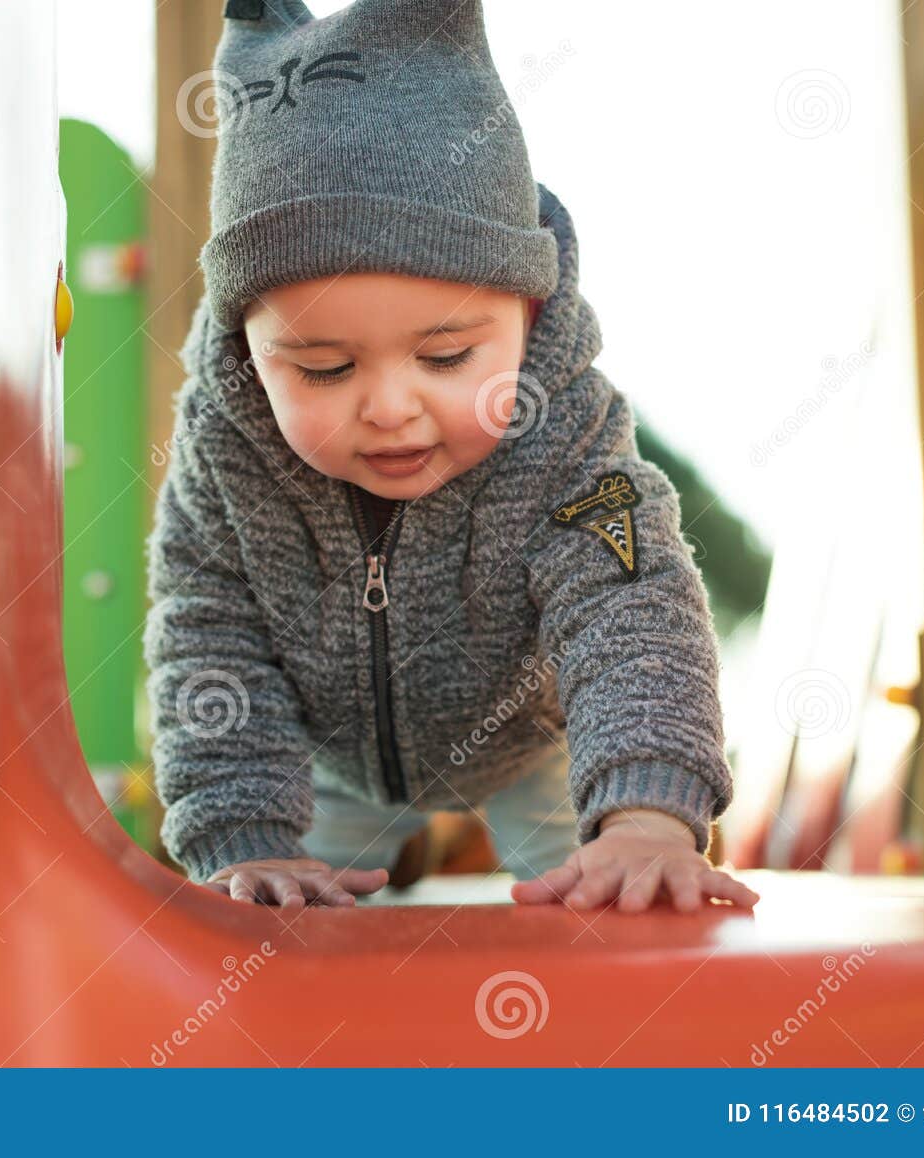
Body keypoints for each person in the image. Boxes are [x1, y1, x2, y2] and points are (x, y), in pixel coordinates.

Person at [142, 0, 758, 914]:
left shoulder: (567, 436)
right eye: (323, 367)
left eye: (445, 358)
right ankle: (382, 860)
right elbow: (207, 628)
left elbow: (629, 606)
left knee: (612, 904)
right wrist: (247, 838)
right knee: (289, 931)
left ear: (529, 315)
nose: (391, 408)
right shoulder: (227, 453)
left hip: (534, 747)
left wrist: (645, 811)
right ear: (247, 351)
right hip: (326, 765)